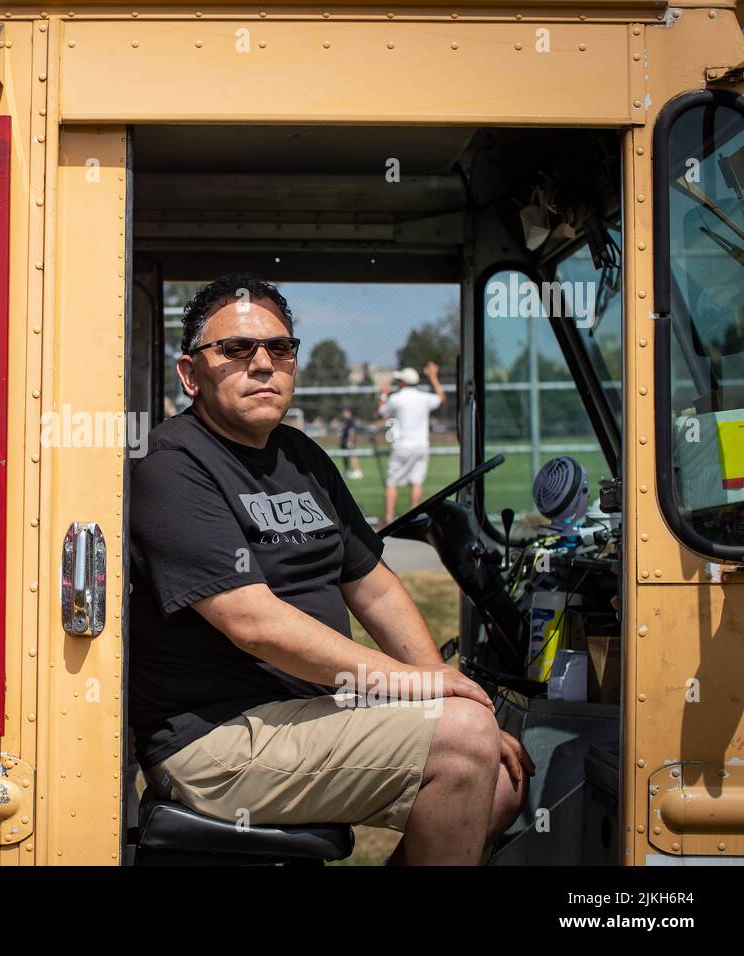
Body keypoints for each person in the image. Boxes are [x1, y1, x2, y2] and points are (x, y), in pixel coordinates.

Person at [129, 273, 529, 865]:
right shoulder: (173, 466)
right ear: (191, 373)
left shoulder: (305, 458)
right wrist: (416, 687)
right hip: (217, 737)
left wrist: (451, 690)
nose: (262, 364)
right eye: (236, 349)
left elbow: (376, 589)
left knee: (499, 777)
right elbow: (254, 623)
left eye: (280, 348)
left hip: (309, 715)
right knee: (466, 742)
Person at [379, 363, 445, 525]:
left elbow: (382, 412)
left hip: (402, 445)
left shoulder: (396, 398)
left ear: (403, 382)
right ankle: (413, 516)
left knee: (392, 481)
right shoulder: (423, 397)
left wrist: (383, 395)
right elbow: (441, 398)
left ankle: (389, 518)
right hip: (421, 444)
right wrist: (433, 377)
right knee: (416, 481)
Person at [339, 407, 363, 479]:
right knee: (346, 457)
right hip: (344, 442)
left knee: (352, 456)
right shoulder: (346, 421)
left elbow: (352, 431)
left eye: (345, 412)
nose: (344, 414)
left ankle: (358, 471)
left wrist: (350, 441)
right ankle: (347, 471)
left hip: (349, 442)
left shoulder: (350, 420)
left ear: (349, 413)